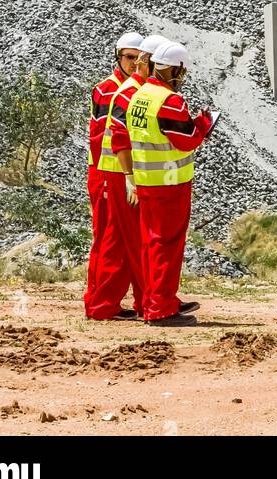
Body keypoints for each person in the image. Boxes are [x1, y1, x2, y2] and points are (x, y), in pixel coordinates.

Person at [127, 41, 215, 327]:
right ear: (174, 70)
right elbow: (186, 140)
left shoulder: (139, 96)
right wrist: (202, 123)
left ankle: (152, 301)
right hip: (170, 183)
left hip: (146, 181)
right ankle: (161, 309)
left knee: (151, 244)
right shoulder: (169, 100)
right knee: (167, 246)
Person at [84, 31, 144, 320]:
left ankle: (103, 302)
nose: (134, 63)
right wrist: (124, 174)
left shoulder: (127, 88)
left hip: (114, 172)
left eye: (139, 58)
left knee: (119, 239)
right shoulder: (110, 90)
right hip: (109, 172)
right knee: (112, 240)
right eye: (129, 57)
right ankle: (102, 304)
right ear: (117, 57)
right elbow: (101, 138)